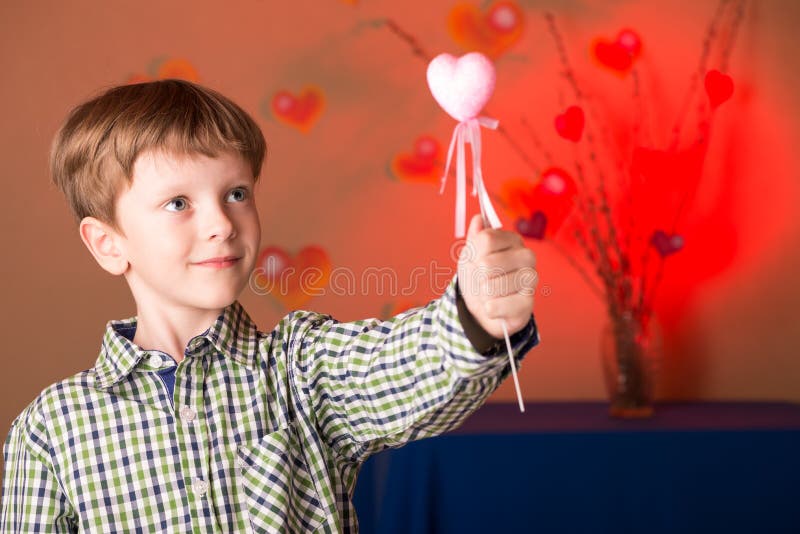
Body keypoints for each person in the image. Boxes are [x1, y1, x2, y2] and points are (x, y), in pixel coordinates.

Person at [0, 79, 539, 533]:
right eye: (179, 203)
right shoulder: (51, 431)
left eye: (236, 193)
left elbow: (398, 366)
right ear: (107, 243)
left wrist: (474, 317)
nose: (221, 224)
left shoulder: (300, 367)